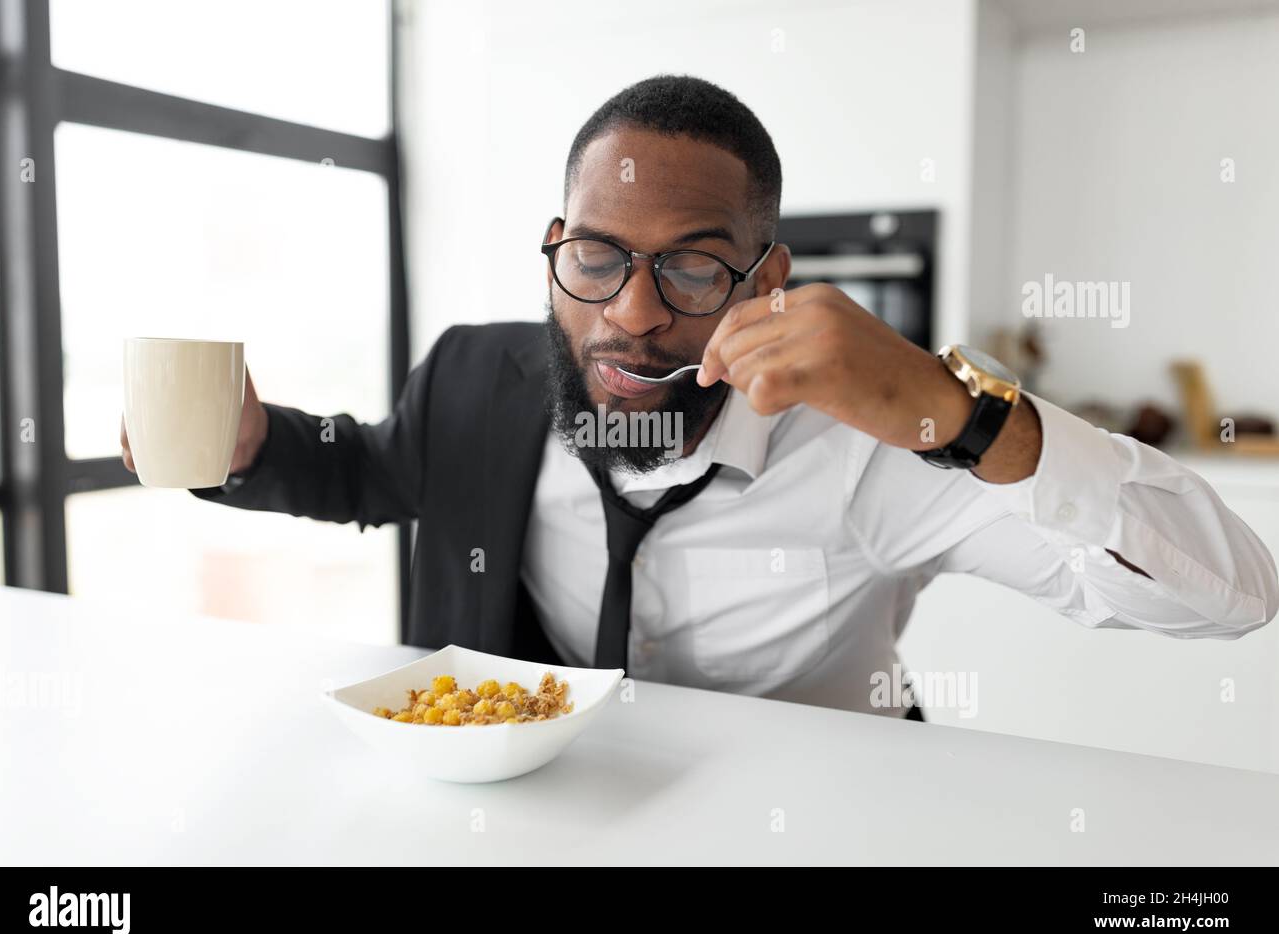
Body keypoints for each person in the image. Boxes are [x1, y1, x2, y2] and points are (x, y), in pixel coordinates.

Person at [120, 75, 1277, 720]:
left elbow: (1228, 596)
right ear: (554, 250)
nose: (629, 313)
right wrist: (256, 443)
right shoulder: (479, 370)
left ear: (765, 280)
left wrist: (959, 410)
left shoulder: (875, 445)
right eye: (597, 256)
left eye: (689, 266)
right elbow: (376, 467)